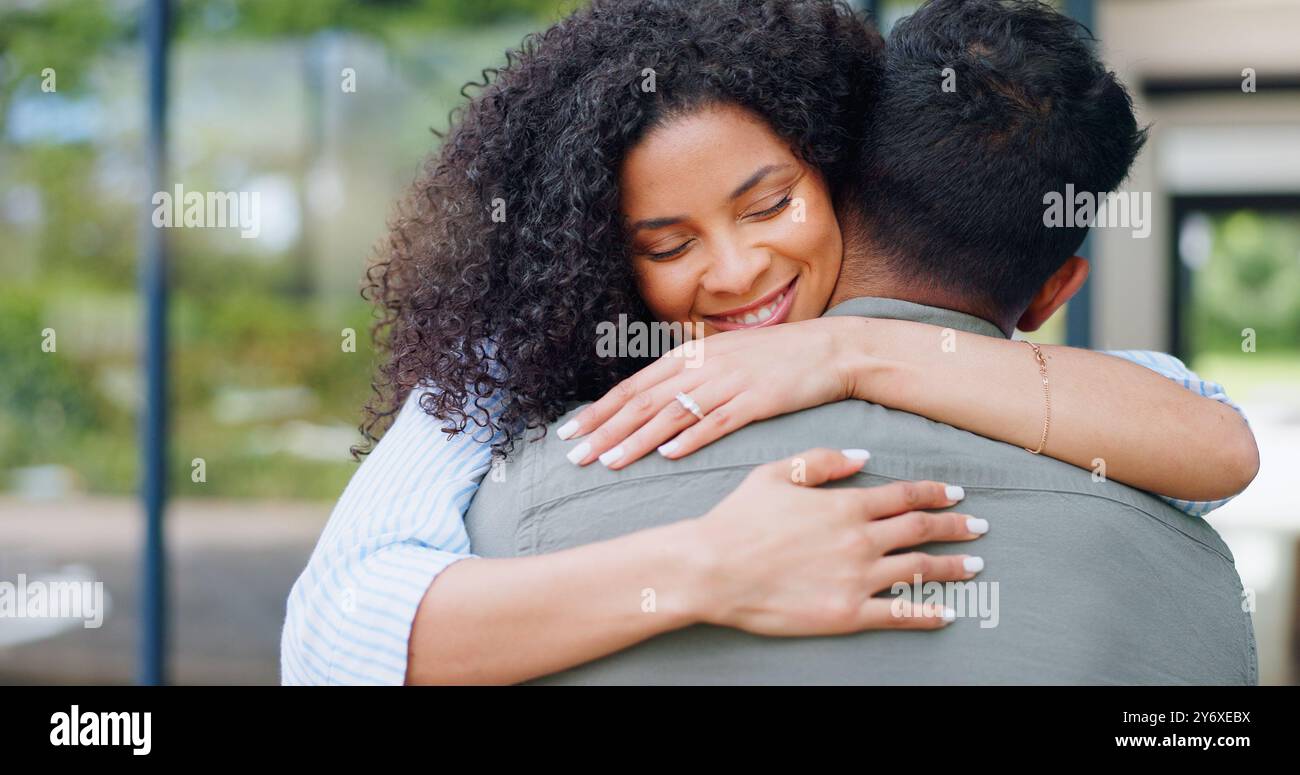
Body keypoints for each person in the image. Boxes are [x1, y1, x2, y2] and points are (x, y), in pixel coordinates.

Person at [281, 0, 1257, 686]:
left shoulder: (962, 364)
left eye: (771, 204)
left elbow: (1210, 442)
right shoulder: (509, 378)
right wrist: (710, 565)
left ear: (838, 173)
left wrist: (850, 353)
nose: (738, 269)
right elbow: (333, 642)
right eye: (665, 244)